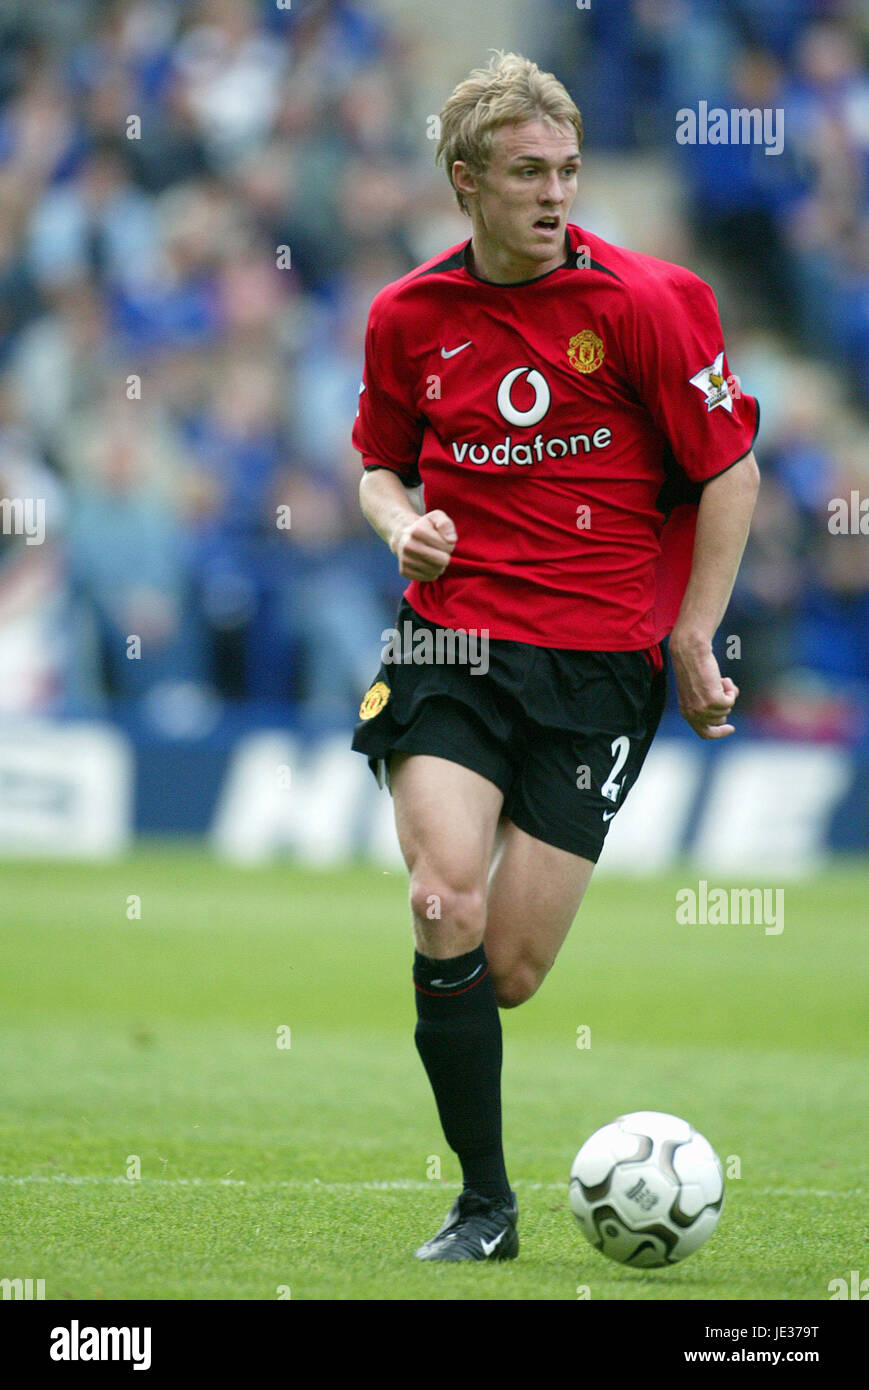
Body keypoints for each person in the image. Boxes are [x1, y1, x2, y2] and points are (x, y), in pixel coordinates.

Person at [350, 52, 759, 1262]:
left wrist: (691, 629)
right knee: (442, 899)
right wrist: (399, 525)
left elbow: (725, 468)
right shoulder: (406, 316)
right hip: (452, 640)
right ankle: (484, 1206)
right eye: (527, 173)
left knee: (511, 971)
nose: (554, 193)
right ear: (465, 182)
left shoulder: (648, 302)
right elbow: (378, 462)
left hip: (596, 666)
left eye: (568, 171)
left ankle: (487, 1185)